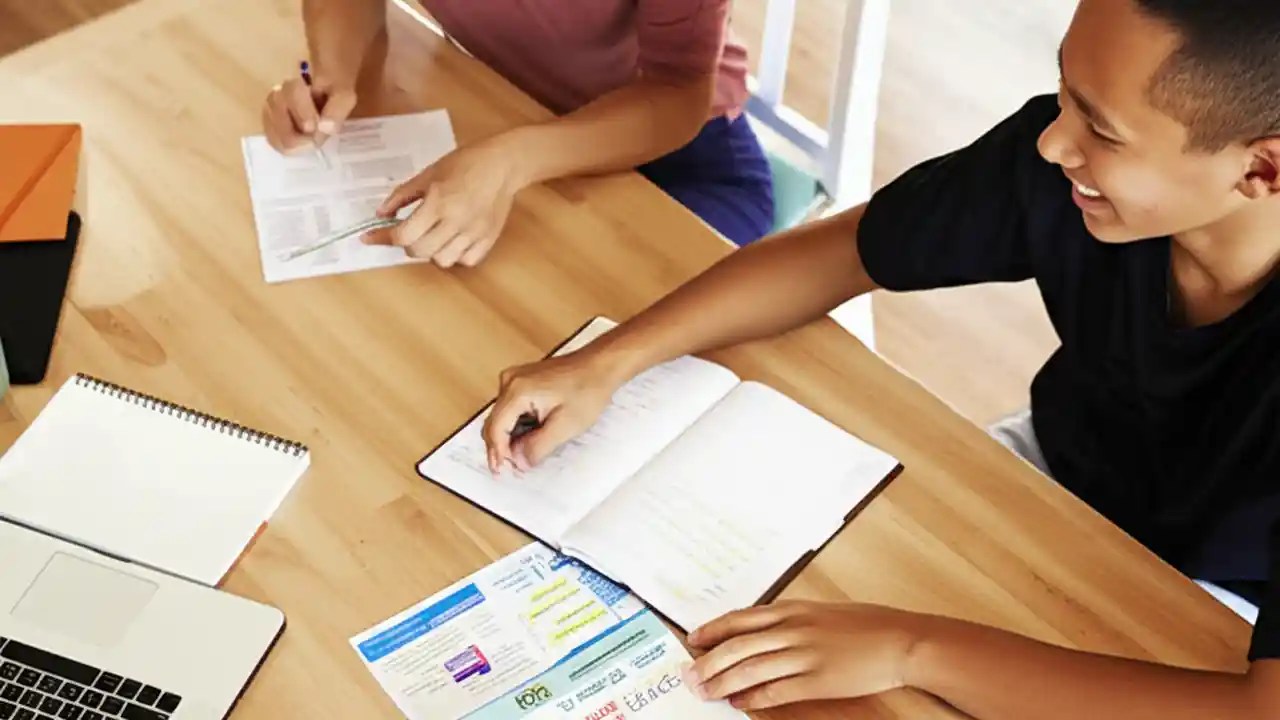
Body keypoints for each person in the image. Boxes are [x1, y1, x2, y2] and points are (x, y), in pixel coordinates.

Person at [480, 0, 1280, 715]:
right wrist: (610, 360)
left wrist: (910, 648)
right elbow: (844, 253)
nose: (1051, 139)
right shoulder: (1064, 172)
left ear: (1262, 167)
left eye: (1100, 129)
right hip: (1049, 477)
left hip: (1220, 618)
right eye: (1065, 89)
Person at [260, 0, 774, 266]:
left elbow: (678, 91)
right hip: (510, 119)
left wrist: (512, 161)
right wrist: (334, 71)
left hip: (687, 164)